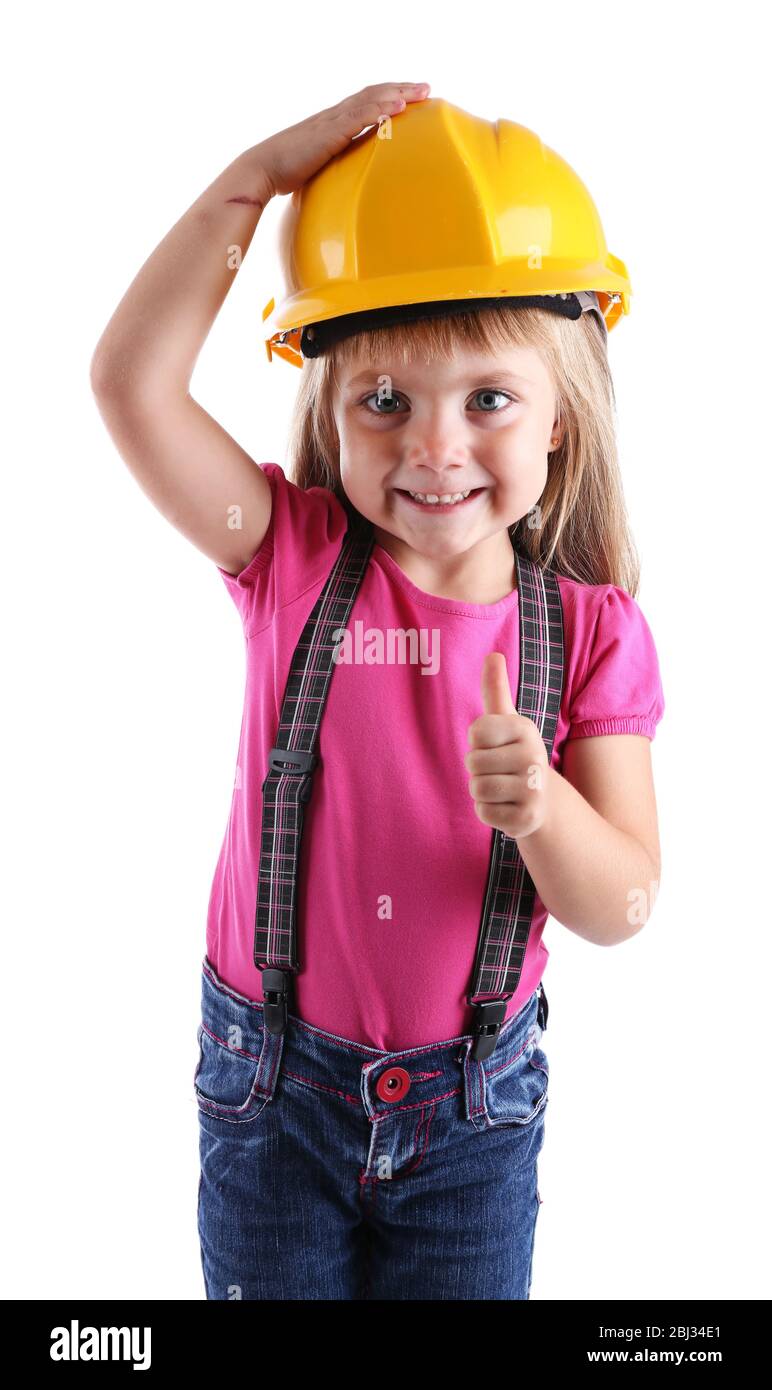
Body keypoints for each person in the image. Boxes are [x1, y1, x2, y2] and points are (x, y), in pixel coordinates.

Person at [90, 83, 665, 1301]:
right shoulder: (286, 557)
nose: (432, 447)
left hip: (473, 1119)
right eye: (384, 401)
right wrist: (254, 182)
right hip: (272, 1100)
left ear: (562, 415)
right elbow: (130, 387)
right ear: (330, 410)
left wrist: (544, 810)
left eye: (489, 399)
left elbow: (624, 904)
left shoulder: (594, 631)